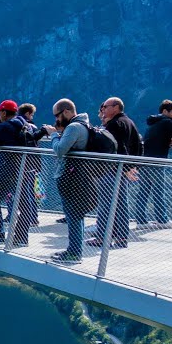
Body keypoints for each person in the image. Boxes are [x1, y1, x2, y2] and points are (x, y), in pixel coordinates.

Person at [0, 100, 40, 246]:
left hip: (5, 169)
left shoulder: (5, 126)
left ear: (4, 113)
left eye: (0, 112)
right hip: (24, 169)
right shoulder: (27, 125)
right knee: (24, 205)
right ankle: (21, 238)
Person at [43, 99, 96, 263]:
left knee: (73, 216)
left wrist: (53, 135)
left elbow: (60, 150)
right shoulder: (83, 125)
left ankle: (74, 253)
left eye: (57, 116)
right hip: (78, 176)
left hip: (72, 177)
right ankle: (73, 251)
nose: (56, 120)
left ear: (66, 111)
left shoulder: (74, 127)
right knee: (76, 216)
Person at [91, 97, 142, 249]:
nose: (103, 110)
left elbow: (119, 149)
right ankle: (119, 238)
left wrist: (125, 169)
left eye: (106, 107)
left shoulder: (116, 124)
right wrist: (133, 166)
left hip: (112, 169)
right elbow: (139, 146)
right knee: (120, 204)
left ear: (116, 107)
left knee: (107, 204)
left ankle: (102, 237)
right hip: (120, 169)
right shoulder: (128, 122)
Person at [134, 100, 172, 227]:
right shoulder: (167, 122)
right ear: (164, 111)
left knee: (144, 191)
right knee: (158, 191)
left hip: (144, 160)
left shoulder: (153, 123)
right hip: (157, 161)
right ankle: (162, 220)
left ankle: (141, 221)